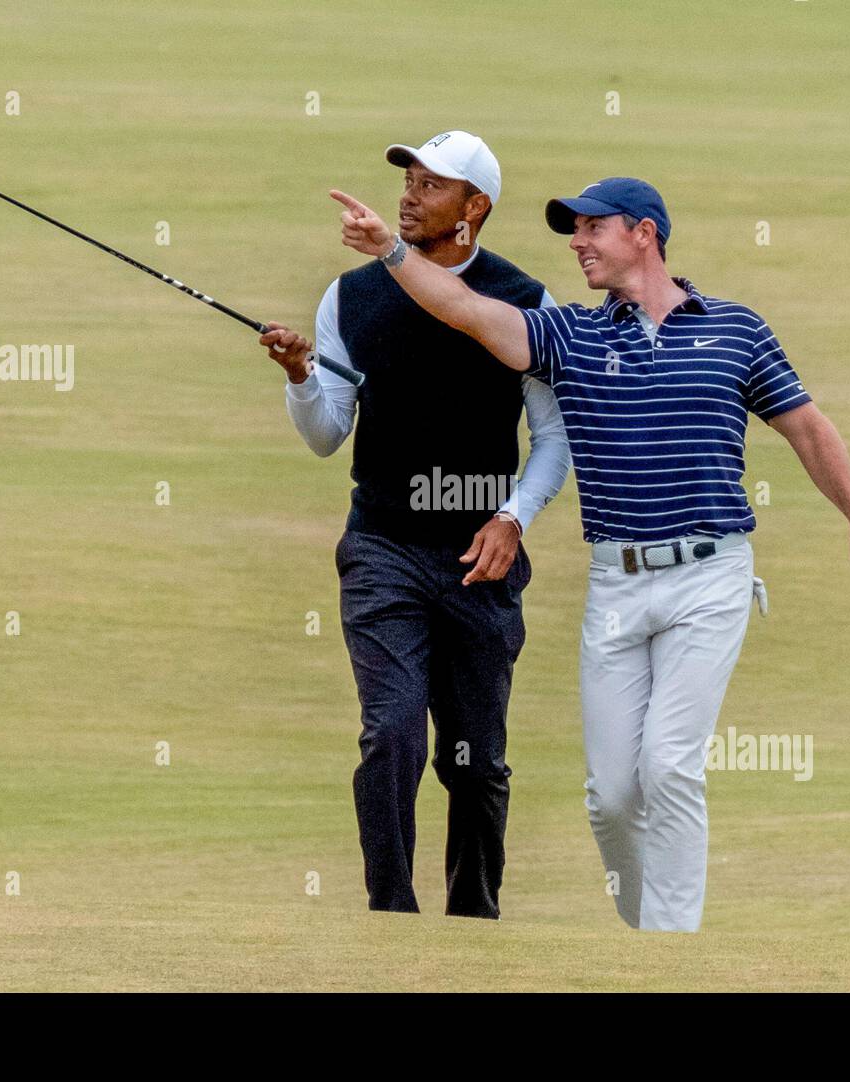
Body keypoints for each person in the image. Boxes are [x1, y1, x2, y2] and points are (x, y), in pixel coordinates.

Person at [328, 176, 850, 932]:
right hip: (617, 586)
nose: (577, 243)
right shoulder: (572, 335)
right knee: (612, 797)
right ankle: (642, 934)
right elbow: (466, 309)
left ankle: (669, 949)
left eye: (592, 228)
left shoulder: (736, 330)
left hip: (711, 574)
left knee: (668, 766)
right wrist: (394, 252)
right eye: (574, 230)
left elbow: (809, 430)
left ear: (643, 233)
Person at [258, 132, 570, 919]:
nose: (409, 195)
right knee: (391, 735)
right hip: (383, 548)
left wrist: (513, 518)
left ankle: (473, 918)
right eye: (409, 181)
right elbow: (327, 434)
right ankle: (391, 913)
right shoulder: (351, 297)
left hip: (480, 561)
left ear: (475, 207)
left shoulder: (526, 301)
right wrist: (300, 377)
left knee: (476, 762)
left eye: (432, 186)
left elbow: (554, 438)